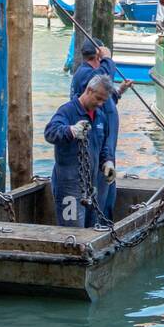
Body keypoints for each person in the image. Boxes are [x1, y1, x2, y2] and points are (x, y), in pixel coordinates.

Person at [44, 72, 115, 227]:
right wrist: (70, 131)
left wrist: (108, 161)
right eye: (98, 98)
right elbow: (50, 132)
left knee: (92, 230)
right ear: (89, 90)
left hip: (92, 184)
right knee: (72, 232)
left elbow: (103, 145)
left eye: (104, 100)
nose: (101, 104)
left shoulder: (100, 117)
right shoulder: (67, 111)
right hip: (68, 185)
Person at [70, 39, 121, 219]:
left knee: (107, 187)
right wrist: (107, 59)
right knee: (98, 189)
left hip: (105, 146)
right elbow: (103, 79)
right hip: (96, 147)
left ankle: (106, 221)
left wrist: (119, 92)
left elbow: (104, 98)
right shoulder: (85, 74)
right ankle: (97, 223)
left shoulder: (92, 81)